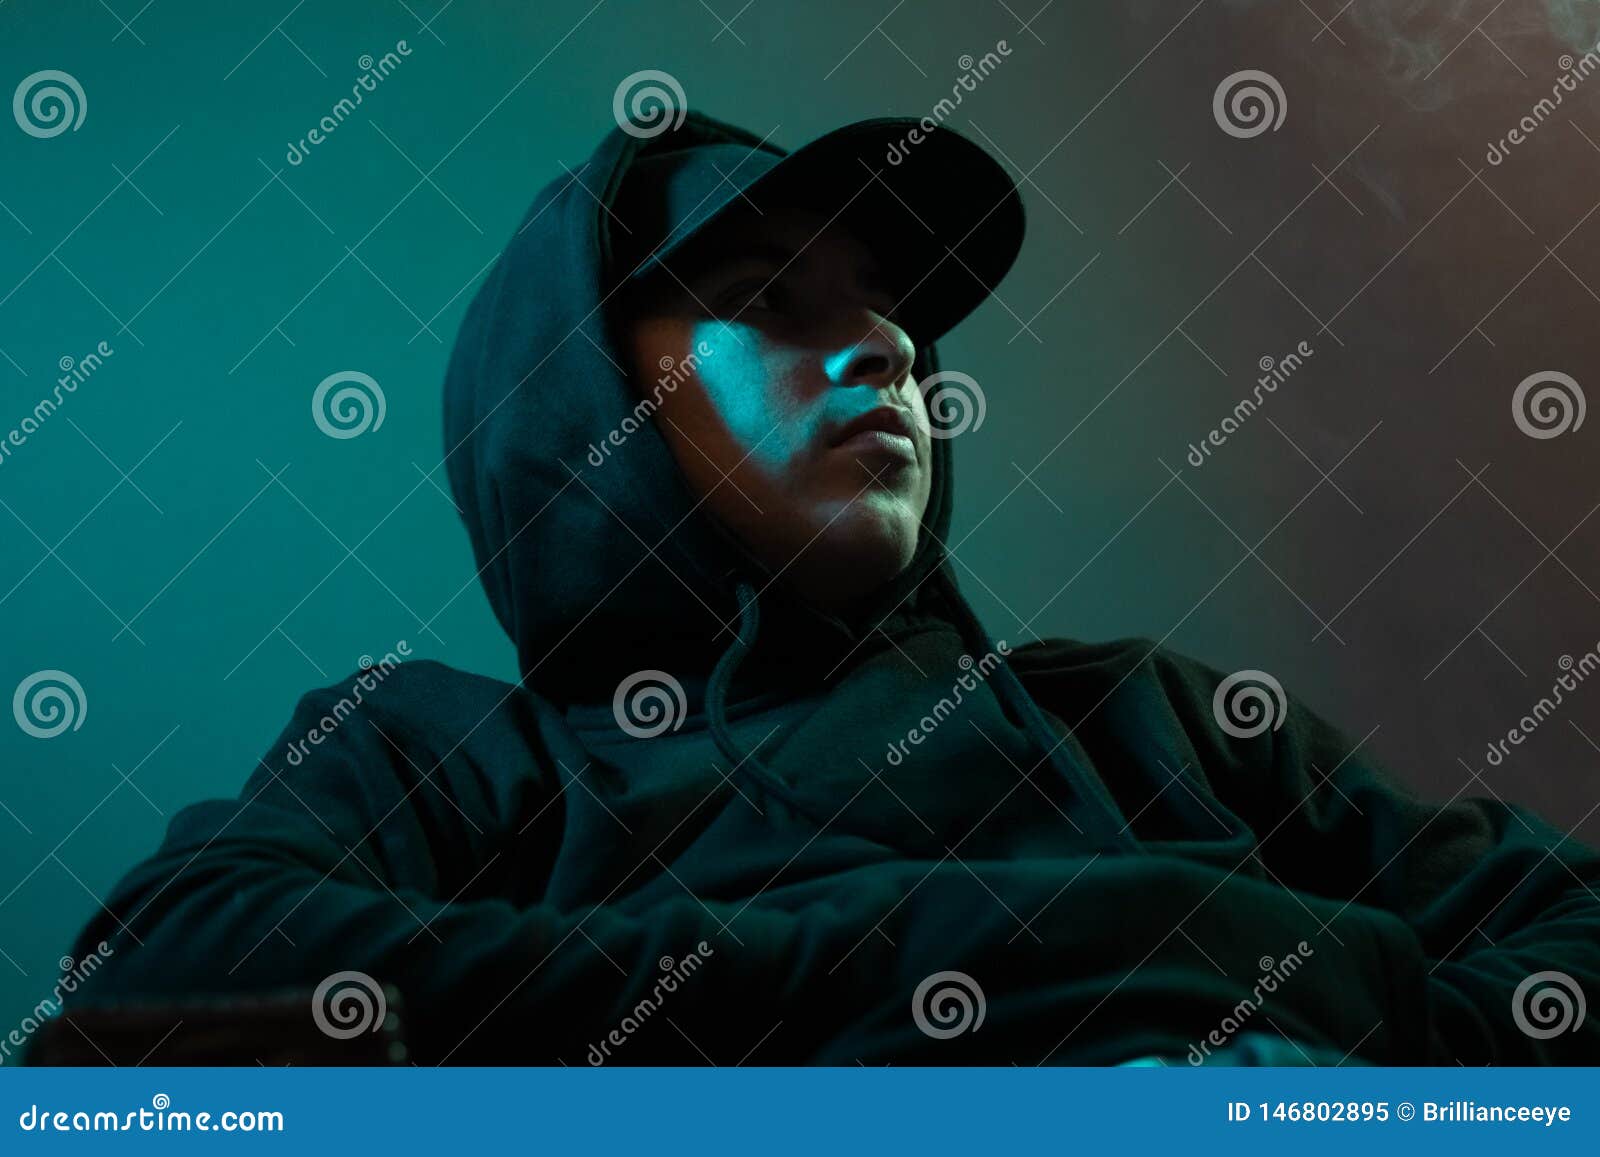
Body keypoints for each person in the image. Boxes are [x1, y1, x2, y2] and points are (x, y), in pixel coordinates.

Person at [59, 110, 1600, 1066]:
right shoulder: (444, 752)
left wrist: (1328, 1067)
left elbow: (1567, 939)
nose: (887, 348)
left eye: (889, 311)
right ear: (582, 406)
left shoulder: (1149, 718)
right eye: (764, 301)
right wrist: (1044, 962)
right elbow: (176, 956)